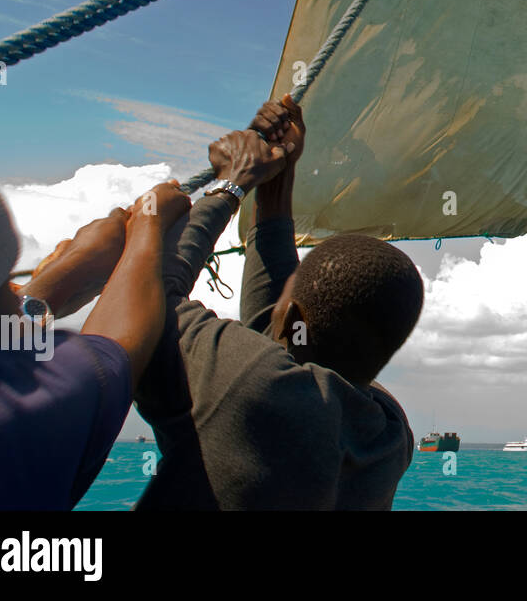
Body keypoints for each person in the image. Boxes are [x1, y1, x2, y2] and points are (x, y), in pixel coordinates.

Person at [134, 95, 424, 509]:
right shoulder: (390, 432)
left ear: (291, 317)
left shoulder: (253, 383)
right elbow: (277, 337)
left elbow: (149, 293)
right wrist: (277, 182)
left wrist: (232, 184)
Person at [0, 150, 188, 509]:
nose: (17, 292)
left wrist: (65, 276)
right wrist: (149, 221)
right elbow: (115, 347)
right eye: (6, 279)